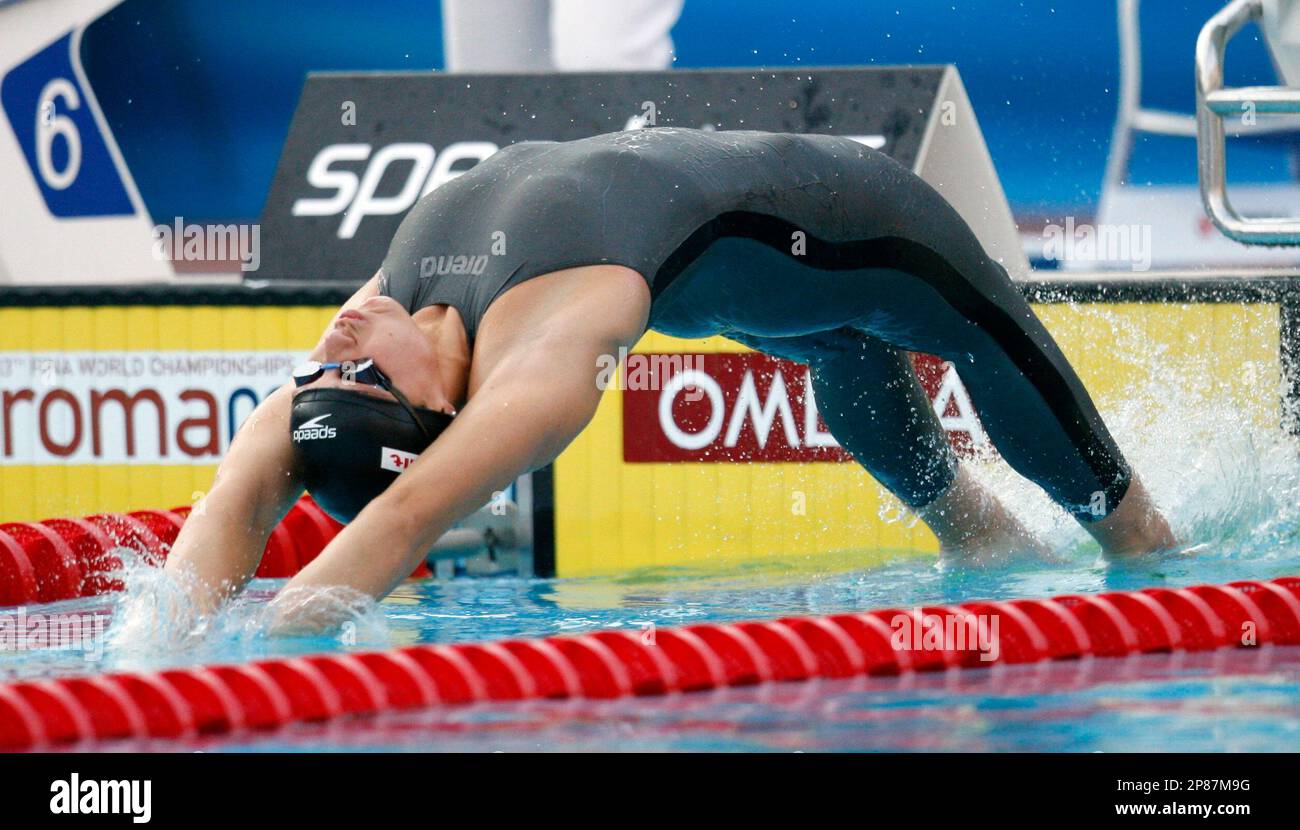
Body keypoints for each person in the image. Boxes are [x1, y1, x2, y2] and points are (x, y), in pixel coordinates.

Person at [163, 127, 1177, 627]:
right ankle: (1004, 548)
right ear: (435, 408)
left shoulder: (443, 333)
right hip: (761, 263)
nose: (336, 346)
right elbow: (343, 508)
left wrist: (199, 661)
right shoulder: (541, 355)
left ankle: (1150, 563)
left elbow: (303, 497)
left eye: (332, 371)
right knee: (845, 359)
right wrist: (177, 682)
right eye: (361, 379)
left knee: (1122, 525)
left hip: (863, 219)